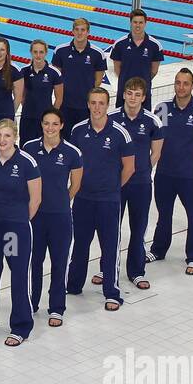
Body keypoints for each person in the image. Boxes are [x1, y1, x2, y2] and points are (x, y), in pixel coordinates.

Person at [67, 88, 135, 311]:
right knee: (80, 244)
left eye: (101, 103)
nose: (97, 107)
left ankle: (111, 291)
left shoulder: (120, 133)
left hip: (108, 200)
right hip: (83, 199)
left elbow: (129, 167)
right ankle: (74, 284)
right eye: (93, 103)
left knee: (110, 246)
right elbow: (72, 165)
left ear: (107, 106)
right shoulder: (77, 131)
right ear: (88, 104)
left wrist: (113, 189)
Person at [0, 119, 41, 346]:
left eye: (7, 136)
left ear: (15, 138)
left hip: (14, 230)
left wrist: (19, 221)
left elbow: (35, 200)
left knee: (18, 274)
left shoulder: (26, 162)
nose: (2, 140)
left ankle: (21, 325)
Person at [150, 69, 193, 275]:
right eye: (178, 83)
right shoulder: (162, 108)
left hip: (189, 175)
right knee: (164, 215)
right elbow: (157, 139)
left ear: (192, 86)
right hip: (164, 173)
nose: (181, 87)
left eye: (185, 83)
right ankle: (159, 250)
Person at [22, 109, 83, 325]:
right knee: (34, 262)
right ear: (41, 125)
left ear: (62, 125)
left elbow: (75, 184)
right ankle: (32, 302)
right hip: (35, 217)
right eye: (46, 123)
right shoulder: (29, 149)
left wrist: (62, 200)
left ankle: (56, 307)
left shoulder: (72, 152)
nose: (50, 128)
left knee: (59, 262)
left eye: (54, 124)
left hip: (60, 217)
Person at [106, 77, 164, 291]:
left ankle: (136, 271)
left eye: (137, 94)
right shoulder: (111, 118)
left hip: (140, 183)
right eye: (129, 93)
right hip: (115, 183)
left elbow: (156, 152)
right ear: (123, 94)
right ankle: (107, 269)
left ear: (144, 97)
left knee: (138, 228)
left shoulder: (152, 121)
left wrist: (141, 169)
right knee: (111, 229)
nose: (132, 98)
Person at [52, 18, 107, 130]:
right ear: (72, 31)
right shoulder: (60, 51)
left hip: (86, 106)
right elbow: (55, 79)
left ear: (88, 32)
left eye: (83, 30)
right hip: (65, 104)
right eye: (77, 29)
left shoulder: (97, 54)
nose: (79, 33)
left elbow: (98, 81)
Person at [109, 8, 164, 107]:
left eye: (140, 22)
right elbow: (117, 69)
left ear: (145, 23)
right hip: (124, 92)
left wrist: (142, 82)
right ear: (130, 23)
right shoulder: (119, 44)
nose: (137, 25)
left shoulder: (155, 45)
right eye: (135, 22)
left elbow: (154, 70)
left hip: (144, 94)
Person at [19, 39, 63, 146]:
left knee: (45, 146)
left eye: (41, 52)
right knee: (25, 146)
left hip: (45, 119)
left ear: (46, 53)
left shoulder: (54, 73)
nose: (38, 55)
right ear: (31, 52)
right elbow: (21, 94)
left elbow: (59, 98)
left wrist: (51, 115)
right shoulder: (24, 71)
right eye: (35, 52)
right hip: (27, 117)